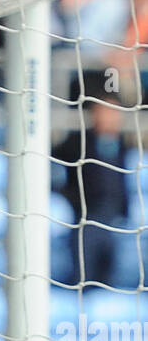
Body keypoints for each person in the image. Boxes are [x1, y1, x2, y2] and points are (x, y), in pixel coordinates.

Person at [55, 93, 131, 288]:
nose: (109, 117)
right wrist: (70, 200)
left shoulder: (124, 146)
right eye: (105, 111)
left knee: (115, 273)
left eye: (114, 112)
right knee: (84, 274)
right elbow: (54, 169)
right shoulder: (77, 144)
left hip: (116, 219)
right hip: (86, 218)